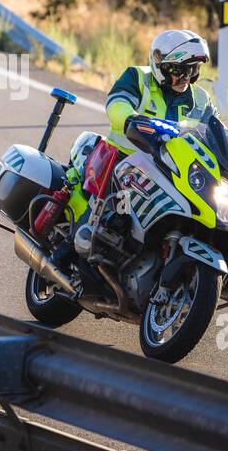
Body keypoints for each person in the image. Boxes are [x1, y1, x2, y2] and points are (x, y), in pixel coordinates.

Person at [48, 29, 215, 282]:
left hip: (169, 168)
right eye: (180, 70)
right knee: (108, 204)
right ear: (161, 66)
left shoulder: (200, 100)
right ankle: (67, 251)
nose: (186, 78)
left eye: (192, 71)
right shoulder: (138, 77)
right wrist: (130, 119)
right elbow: (116, 104)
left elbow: (214, 132)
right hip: (125, 156)